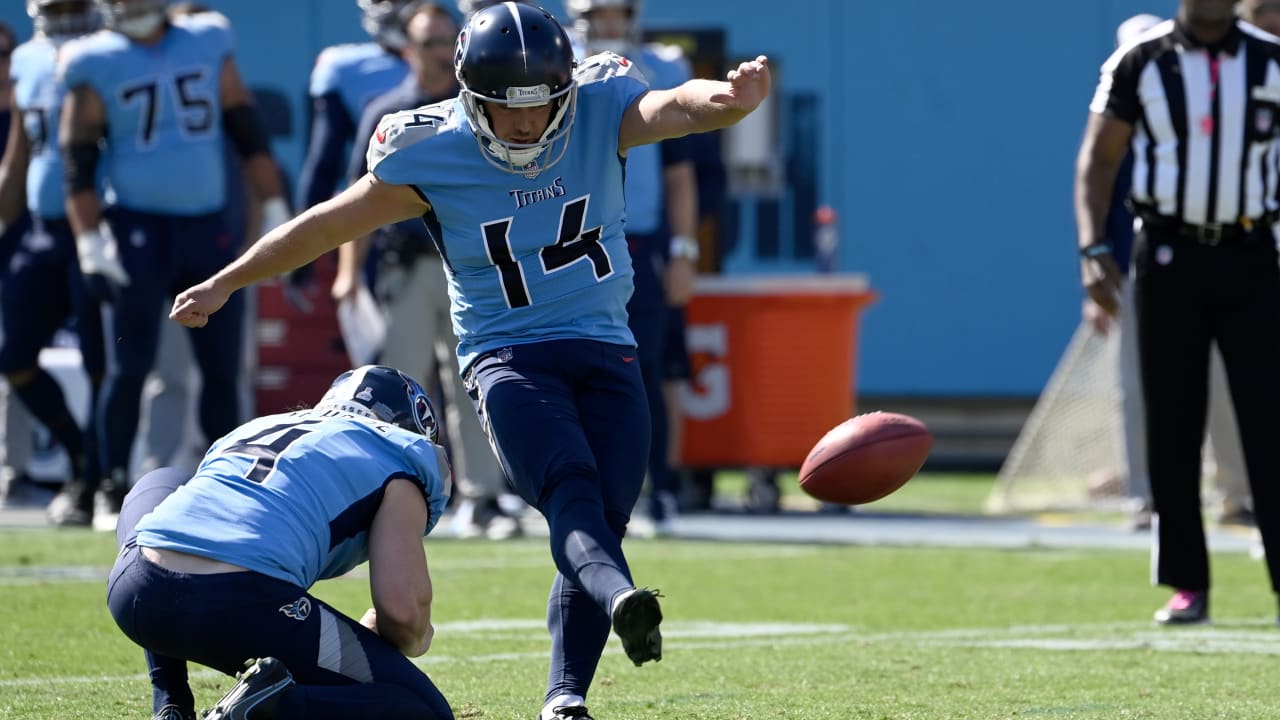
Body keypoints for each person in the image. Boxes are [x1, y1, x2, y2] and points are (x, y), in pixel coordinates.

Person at [170, 4, 772, 717]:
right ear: (468, 95)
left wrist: (729, 101)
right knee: (571, 492)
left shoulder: (601, 104)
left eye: (542, 105)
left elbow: (675, 107)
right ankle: (620, 599)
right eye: (504, 109)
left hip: (609, 350)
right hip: (509, 356)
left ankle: (565, 696)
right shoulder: (431, 149)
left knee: (603, 520)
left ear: (566, 91)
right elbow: (328, 222)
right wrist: (228, 280)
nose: (524, 125)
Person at [1075, 0, 1280, 625]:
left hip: (1252, 253)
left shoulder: (1271, 60)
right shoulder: (1140, 60)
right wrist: (1092, 247)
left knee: (1270, 422)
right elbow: (1099, 160)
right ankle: (1187, 582)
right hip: (1167, 255)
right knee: (1171, 422)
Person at [107, 364, 454, 720]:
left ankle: (171, 699)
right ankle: (262, 711)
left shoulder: (259, 427)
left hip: (134, 588)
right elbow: (403, 613)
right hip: (234, 603)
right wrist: (409, 634)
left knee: (163, 480)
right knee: (422, 709)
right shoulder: (400, 458)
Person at [58, 0, 292, 528]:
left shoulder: (206, 40)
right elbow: (78, 164)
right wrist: (90, 243)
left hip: (204, 227)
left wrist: (275, 207)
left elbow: (246, 131)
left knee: (220, 367)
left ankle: (226, 481)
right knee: (129, 365)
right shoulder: (93, 58)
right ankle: (111, 484)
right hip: (134, 228)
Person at [333, 1, 520, 541]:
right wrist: (348, 275)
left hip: (474, 265)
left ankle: (482, 498)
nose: (441, 52)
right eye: (430, 42)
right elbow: (355, 203)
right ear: (407, 48)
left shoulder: (477, 107)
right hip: (410, 266)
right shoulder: (386, 111)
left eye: (447, 41)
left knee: (475, 385)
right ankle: (379, 493)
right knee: (397, 385)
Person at [1084, 12, 1253, 533]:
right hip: (1142, 269)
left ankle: (1235, 493)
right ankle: (1148, 496)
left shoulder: (1202, 116)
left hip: (1213, 263)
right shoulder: (1112, 124)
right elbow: (1098, 195)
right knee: (1140, 385)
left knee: (1226, 381)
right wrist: (1095, 267)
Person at [565, 0, 699, 535]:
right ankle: (587, 491)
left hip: (638, 239)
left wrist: (685, 250)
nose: (610, 24)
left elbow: (682, 172)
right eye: (599, 13)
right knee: (569, 367)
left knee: (643, 370)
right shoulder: (553, 65)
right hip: (569, 238)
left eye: (617, 11)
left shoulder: (661, 68)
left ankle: (660, 489)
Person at [0, 1, 106, 524]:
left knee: (101, 361)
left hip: (98, 222)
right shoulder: (26, 58)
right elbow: (20, 152)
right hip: (41, 228)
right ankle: (79, 454)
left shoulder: (110, 52)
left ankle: (95, 481)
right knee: (12, 353)